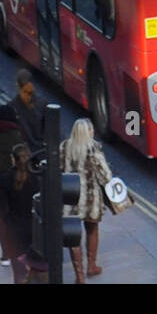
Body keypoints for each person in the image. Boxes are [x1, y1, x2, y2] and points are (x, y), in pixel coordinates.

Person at [59, 118, 113, 283]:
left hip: (70, 197)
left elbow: (58, 170)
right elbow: (106, 176)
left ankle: (80, 276)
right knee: (92, 230)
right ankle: (91, 266)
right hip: (91, 200)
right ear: (89, 131)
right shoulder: (94, 149)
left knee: (72, 236)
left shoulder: (64, 147)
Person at [0, 105, 23, 265]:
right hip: (13, 178)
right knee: (16, 215)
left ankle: (5, 254)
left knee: (1, 218)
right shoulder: (15, 134)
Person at [1, 143, 41, 283]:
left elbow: (2, 209)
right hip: (34, 231)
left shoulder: (6, 178)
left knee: (19, 273)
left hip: (15, 232)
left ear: (13, 159)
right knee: (36, 271)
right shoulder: (37, 178)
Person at [9, 69, 46, 148]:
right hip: (23, 153)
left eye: (30, 93)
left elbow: (48, 129)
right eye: (25, 92)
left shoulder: (42, 103)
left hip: (40, 150)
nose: (28, 97)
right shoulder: (11, 107)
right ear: (18, 87)